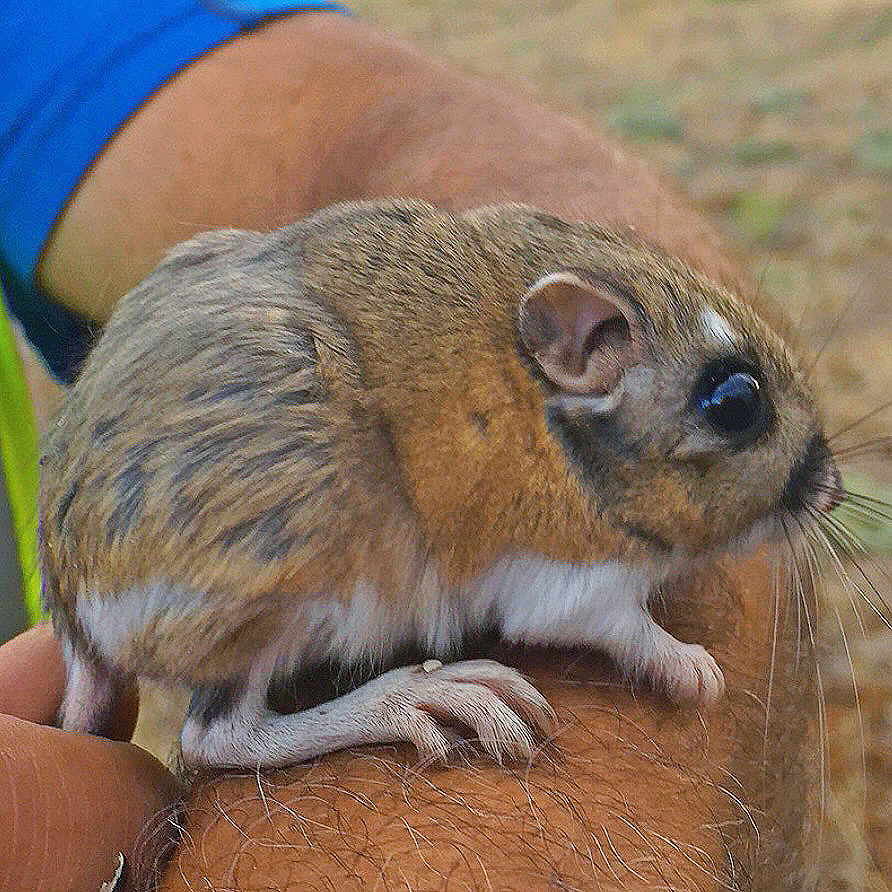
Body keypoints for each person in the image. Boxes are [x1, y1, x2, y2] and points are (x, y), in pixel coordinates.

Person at [1, 7, 815, 890]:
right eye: (729, 407)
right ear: (584, 357)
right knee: (308, 447)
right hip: (160, 574)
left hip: (104, 589)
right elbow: (549, 603)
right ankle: (235, 723)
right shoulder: (535, 470)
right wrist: (651, 648)